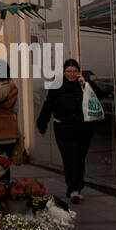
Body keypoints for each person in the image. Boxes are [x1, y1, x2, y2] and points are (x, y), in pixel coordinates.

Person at [36, 57, 94, 203]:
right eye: (69, 71)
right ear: (64, 71)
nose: (72, 74)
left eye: (75, 71)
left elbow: (98, 96)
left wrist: (85, 84)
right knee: (70, 158)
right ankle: (73, 190)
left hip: (83, 128)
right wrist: (42, 124)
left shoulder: (84, 84)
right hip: (64, 128)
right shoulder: (57, 85)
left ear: (79, 72)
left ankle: (77, 188)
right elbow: (48, 105)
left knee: (80, 158)